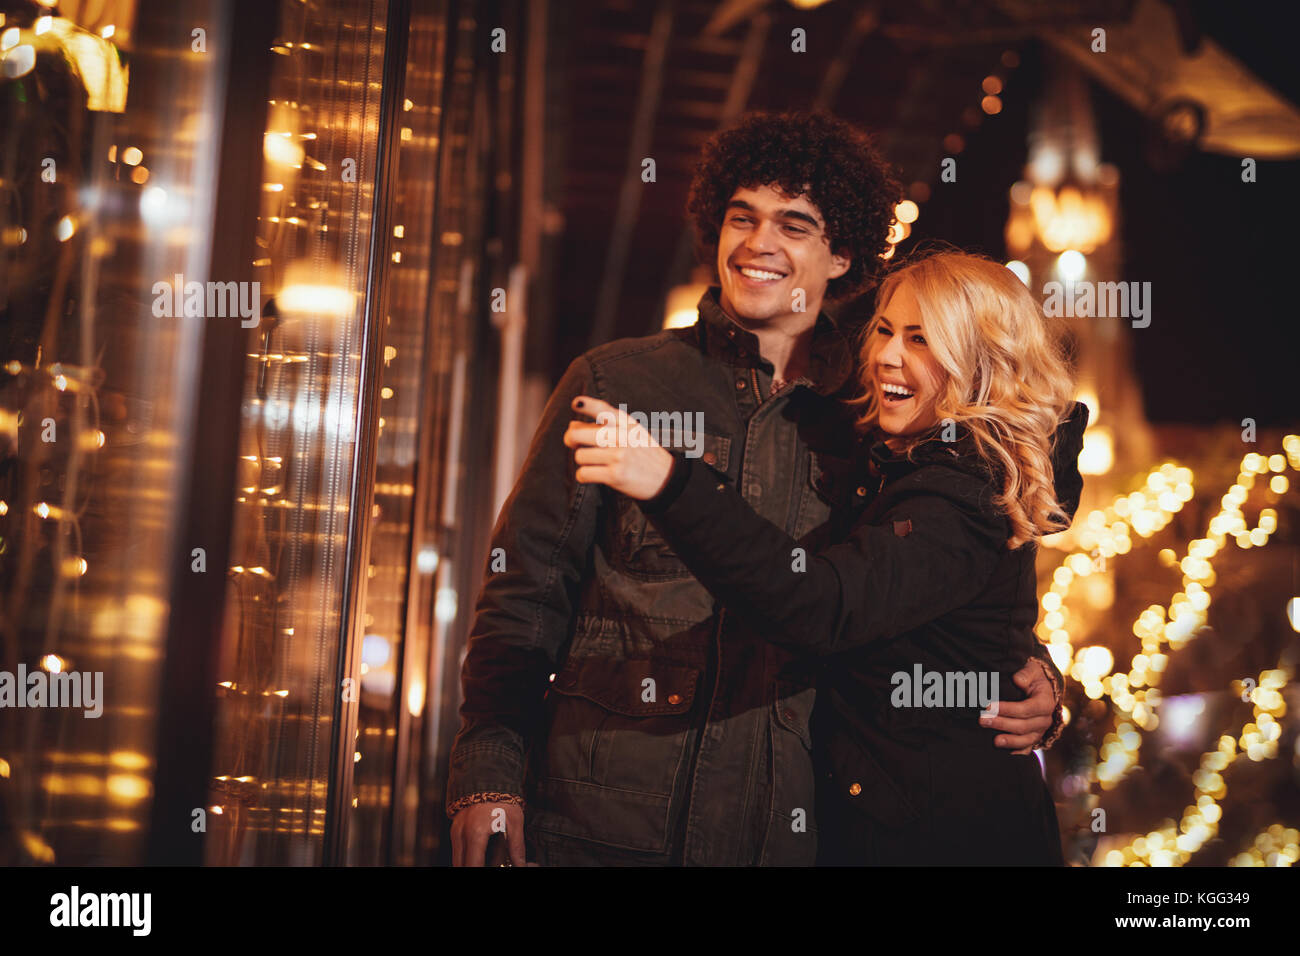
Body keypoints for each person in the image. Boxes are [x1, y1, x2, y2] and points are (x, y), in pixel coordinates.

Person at [448, 112, 1065, 867]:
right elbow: (525, 595)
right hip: (603, 819)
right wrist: (487, 774)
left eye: (793, 225)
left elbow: (923, 587)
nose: (758, 243)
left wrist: (1035, 673)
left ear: (842, 256)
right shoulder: (617, 382)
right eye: (742, 217)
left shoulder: (875, 415)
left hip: (787, 831)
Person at [564, 250, 1087, 865]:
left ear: (981, 365)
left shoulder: (962, 488)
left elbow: (826, 604)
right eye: (887, 331)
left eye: (922, 340)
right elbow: (959, 618)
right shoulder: (901, 456)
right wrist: (1035, 669)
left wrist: (673, 484)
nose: (889, 355)